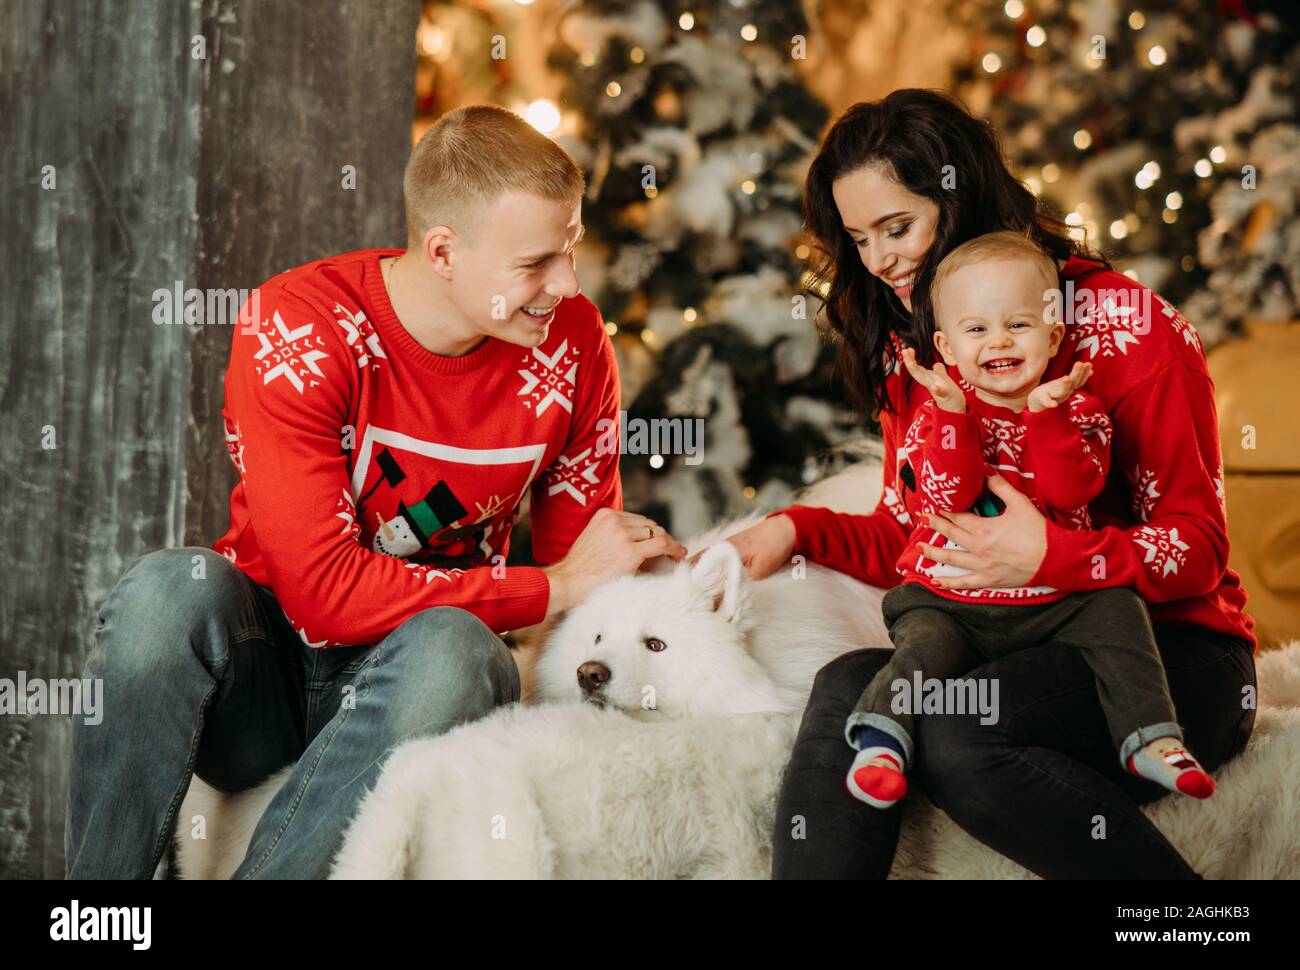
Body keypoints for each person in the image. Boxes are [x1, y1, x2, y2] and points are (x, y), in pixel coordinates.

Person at [65, 104, 686, 879]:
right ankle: (92, 918)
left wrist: (645, 585)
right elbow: (325, 596)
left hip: (424, 685)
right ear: (443, 251)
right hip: (268, 677)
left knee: (458, 651)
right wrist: (554, 585)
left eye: (571, 249)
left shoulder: (575, 344)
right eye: (534, 264)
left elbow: (586, 570)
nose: (565, 285)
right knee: (165, 592)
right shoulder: (298, 324)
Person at [723, 89, 1256, 879]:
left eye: (898, 228)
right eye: (860, 238)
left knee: (960, 731)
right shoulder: (931, 347)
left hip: (1164, 654)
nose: (879, 261)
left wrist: (1055, 558)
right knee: (848, 686)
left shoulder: (1127, 327)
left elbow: (1199, 550)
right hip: (1010, 638)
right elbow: (925, 540)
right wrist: (796, 530)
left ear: (959, 195)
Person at [842, 230, 1215, 811]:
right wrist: (953, 418)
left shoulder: (1079, 412)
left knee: (1119, 611)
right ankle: (881, 744)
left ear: (1054, 335)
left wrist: (1048, 420)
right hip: (952, 600)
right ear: (945, 344)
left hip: (1055, 599)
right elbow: (945, 494)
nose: (999, 341)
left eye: (1018, 325)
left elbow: (1076, 489)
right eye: (976, 330)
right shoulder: (935, 414)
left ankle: (1153, 738)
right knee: (924, 650)